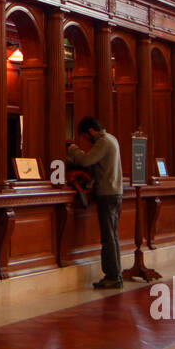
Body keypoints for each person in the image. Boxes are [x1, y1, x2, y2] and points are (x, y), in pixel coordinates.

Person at [66, 116, 125, 289]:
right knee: (112, 236)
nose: (86, 141)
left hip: (107, 194)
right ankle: (116, 274)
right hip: (115, 193)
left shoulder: (103, 142)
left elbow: (86, 160)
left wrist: (73, 148)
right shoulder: (112, 139)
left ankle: (112, 276)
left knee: (108, 237)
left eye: (84, 137)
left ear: (90, 131)